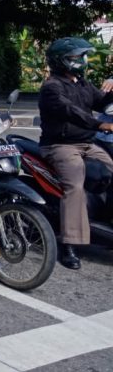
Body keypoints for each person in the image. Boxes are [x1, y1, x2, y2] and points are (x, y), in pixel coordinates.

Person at [38, 37, 113, 270]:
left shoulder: (82, 84)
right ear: (61, 61)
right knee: (75, 182)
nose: (82, 61)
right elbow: (68, 111)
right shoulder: (52, 86)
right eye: (76, 57)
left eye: (83, 56)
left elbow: (103, 103)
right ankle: (69, 243)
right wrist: (98, 125)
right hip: (60, 146)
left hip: (87, 143)